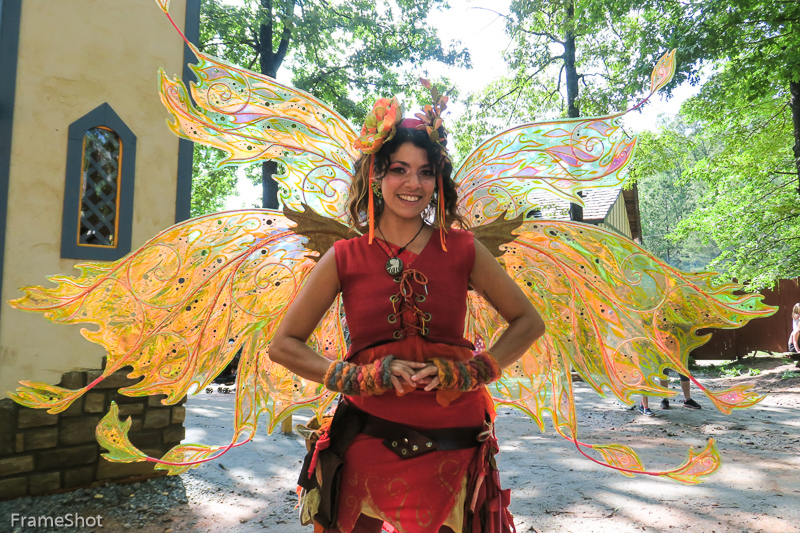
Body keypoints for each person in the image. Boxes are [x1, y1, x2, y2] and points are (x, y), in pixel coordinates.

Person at [270, 99, 545, 533]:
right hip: (368, 433)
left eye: (425, 172)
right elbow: (282, 345)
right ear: (375, 175)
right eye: (399, 169)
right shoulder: (344, 255)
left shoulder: (464, 249)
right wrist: (358, 377)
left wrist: (473, 371)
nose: (413, 183)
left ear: (438, 181)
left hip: (456, 440)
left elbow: (529, 322)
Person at [635, 369, 701, 416]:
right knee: (663, 374)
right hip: (662, 355)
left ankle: (687, 400)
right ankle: (664, 399)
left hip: (676, 355)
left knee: (684, 373)